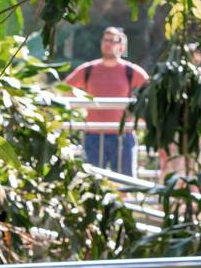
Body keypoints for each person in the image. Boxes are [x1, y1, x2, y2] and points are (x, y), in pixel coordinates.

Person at [63, 27, 149, 177]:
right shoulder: (89, 69)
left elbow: (151, 92)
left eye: (112, 41)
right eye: (105, 40)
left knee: (125, 184)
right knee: (91, 183)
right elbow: (64, 88)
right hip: (94, 135)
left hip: (123, 136)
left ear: (121, 47)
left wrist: (139, 113)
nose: (108, 44)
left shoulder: (130, 71)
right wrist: (83, 103)